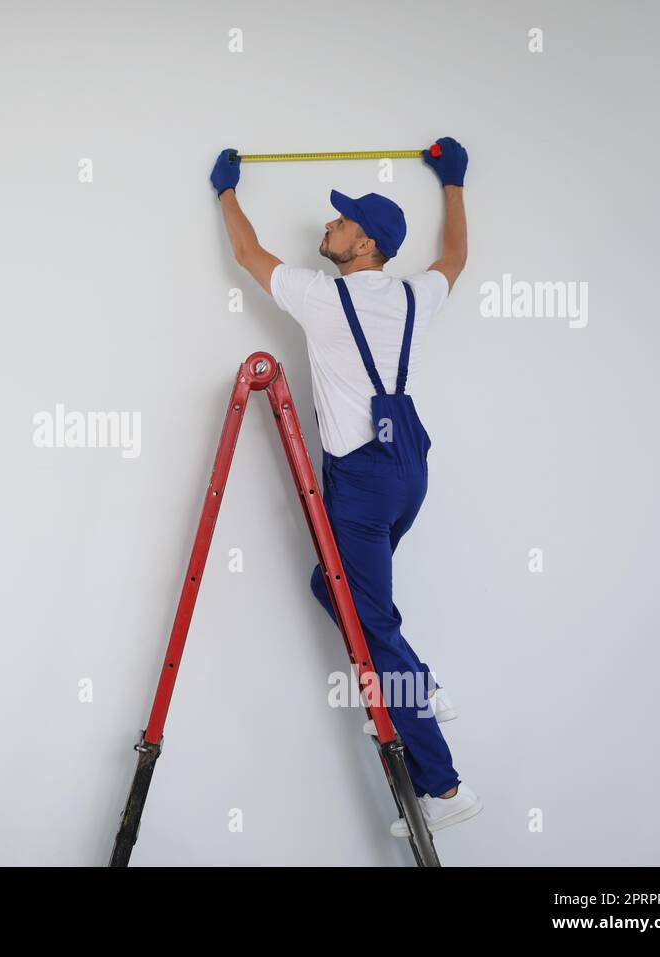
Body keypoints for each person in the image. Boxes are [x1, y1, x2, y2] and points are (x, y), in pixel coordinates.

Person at [209, 137, 482, 837]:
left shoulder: (323, 298)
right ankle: (423, 687)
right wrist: (455, 184)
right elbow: (454, 258)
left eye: (340, 221)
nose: (326, 228)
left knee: (374, 627)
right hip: (409, 469)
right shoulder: (415, 296)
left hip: (360, 479)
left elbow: (248, 255)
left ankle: (446, 787)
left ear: (365, 244)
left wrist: (226, 194)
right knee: (330, 587)